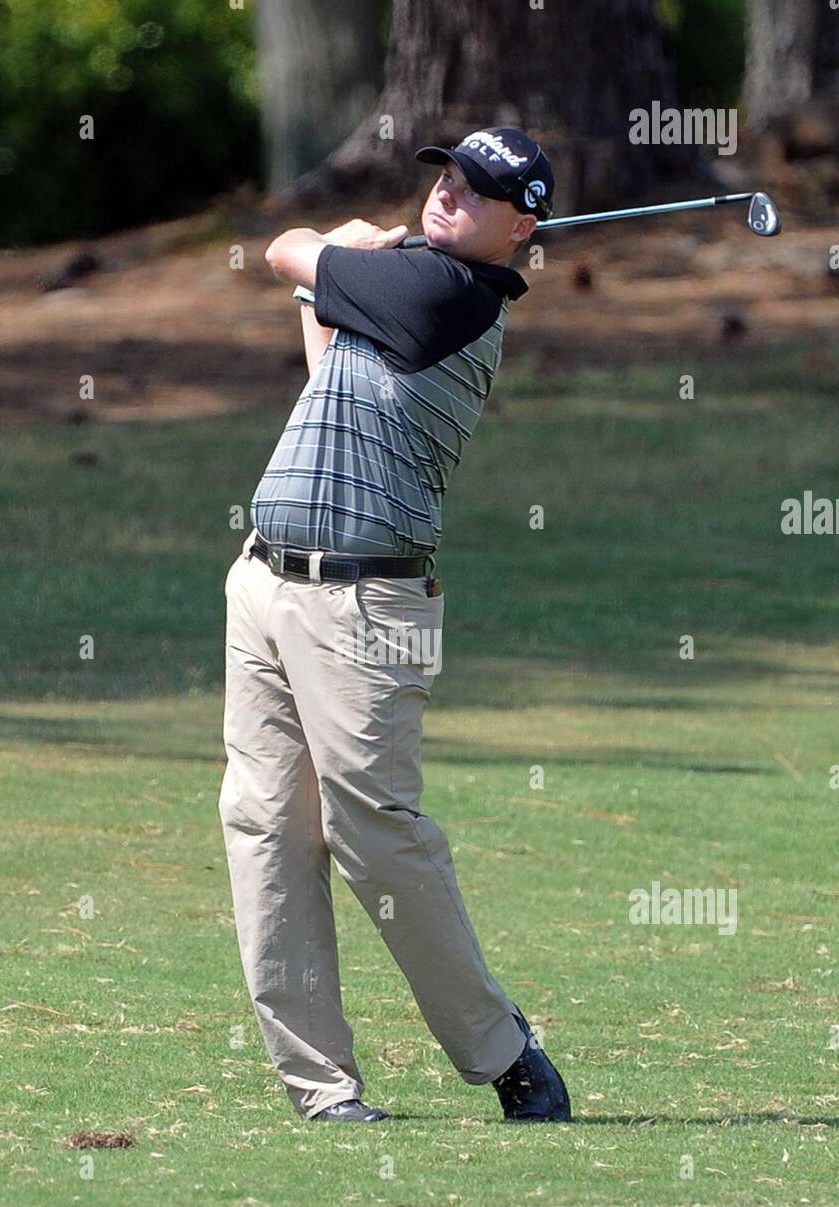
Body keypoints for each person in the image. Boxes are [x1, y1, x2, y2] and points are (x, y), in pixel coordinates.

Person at [219, 127, 571, 1124]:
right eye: (447, 178)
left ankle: (505, 1051)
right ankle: (321, 1088)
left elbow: (287, 245)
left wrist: (332, 247)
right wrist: (329, 279)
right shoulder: (405, 281)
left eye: (479, 190)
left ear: (521, 226)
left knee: (376, 832)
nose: (450, 195)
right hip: (267, 584)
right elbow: (328, 361)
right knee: (264, 827)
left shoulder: (458, 297)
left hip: (370, 606)